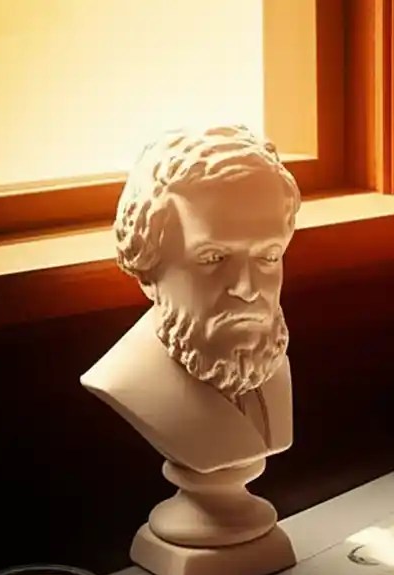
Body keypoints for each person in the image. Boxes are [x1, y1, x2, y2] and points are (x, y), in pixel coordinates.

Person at [81, 124, 301, 475]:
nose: (246, 287)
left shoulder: (269, 362)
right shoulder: (125, 380)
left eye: (268, 257)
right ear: (148, 266)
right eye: (214, 258)